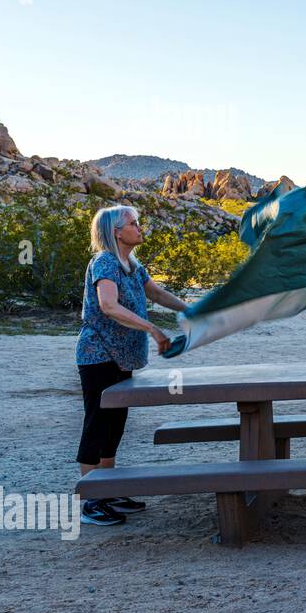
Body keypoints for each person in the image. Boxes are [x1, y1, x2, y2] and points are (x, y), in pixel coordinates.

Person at [75, 205, 188, 526]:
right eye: (133, 224)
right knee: (97, 423)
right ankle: (90, 500)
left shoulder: (132, 265)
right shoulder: (105, 262)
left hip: (122, 357)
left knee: (115, 424)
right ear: (115, 231)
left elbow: (156, 293)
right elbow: (107, 305)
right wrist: (152, 328)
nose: (140, 228)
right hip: (99, 356)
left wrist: (190, 309)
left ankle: (108, 490)